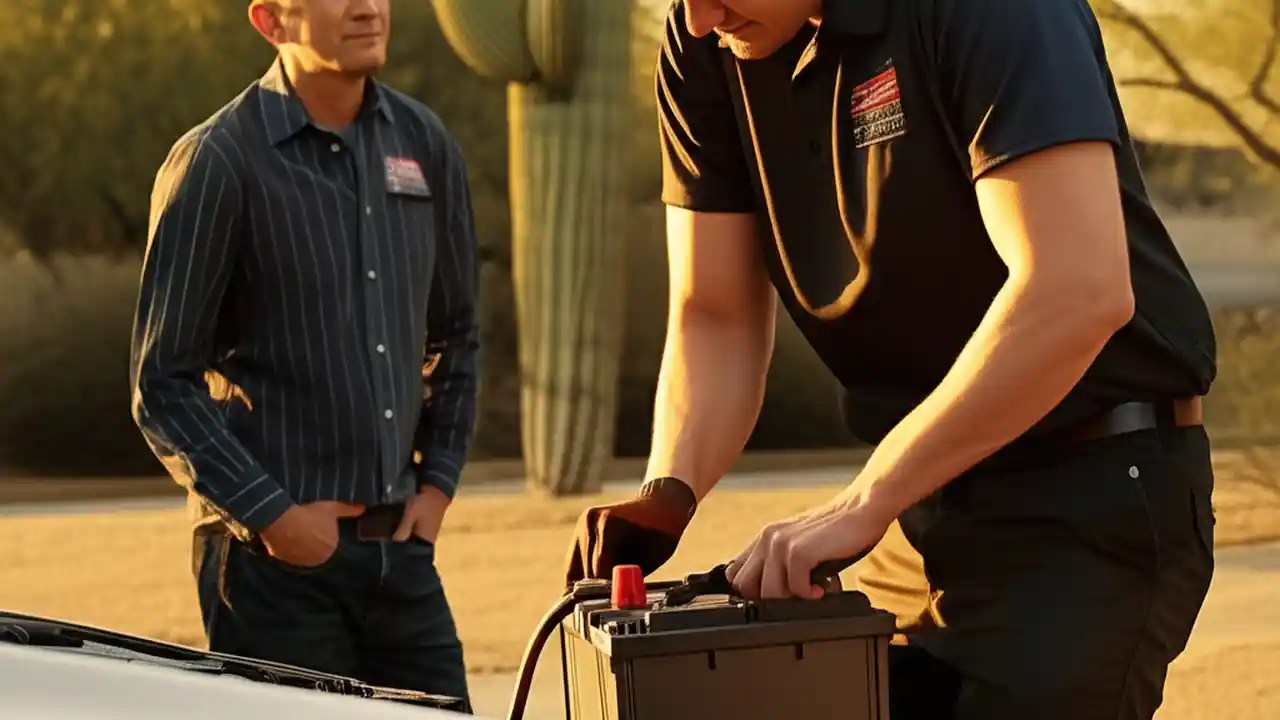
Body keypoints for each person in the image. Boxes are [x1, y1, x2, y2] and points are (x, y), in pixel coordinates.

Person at [563, 1, 1217, 718]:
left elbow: (1077, 290)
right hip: (923, 504)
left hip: (1094, 490)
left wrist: (863, 500)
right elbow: (713, 312)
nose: (697, 18)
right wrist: (671, 488)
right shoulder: (707, 44)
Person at [129, 0, 478, 706]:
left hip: (402, 560)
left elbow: (458, 333)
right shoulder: (218, 161)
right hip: (272, 574)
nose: (366, 6)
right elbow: (162, 383)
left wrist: (437, 484)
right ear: (271, 21)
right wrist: (276, 519)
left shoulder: (424, 143)